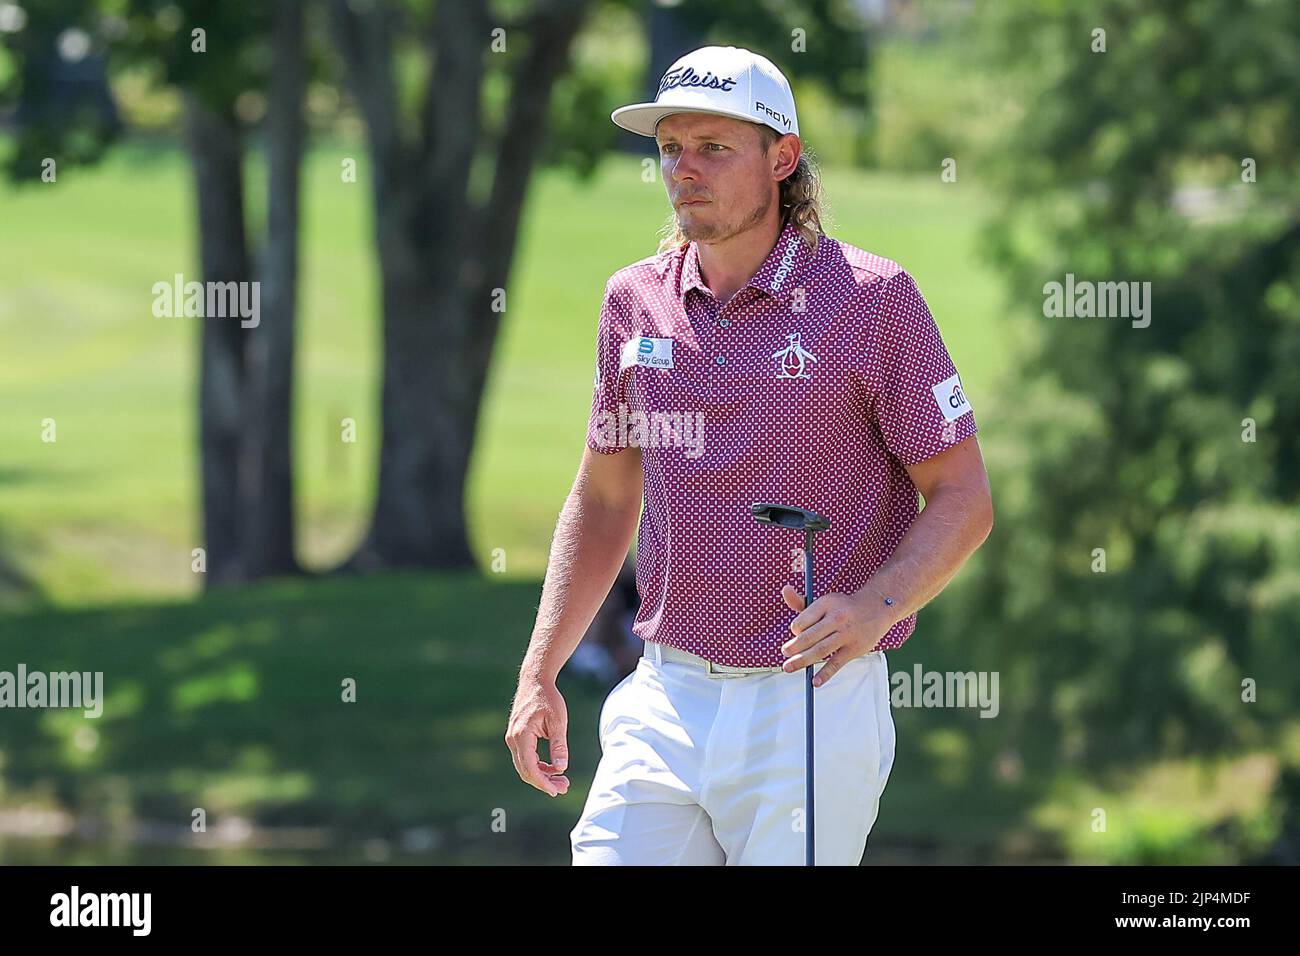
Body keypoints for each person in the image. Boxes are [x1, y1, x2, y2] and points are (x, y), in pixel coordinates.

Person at [504, 44, 994, 865]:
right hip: (663, 693)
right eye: (670, 149)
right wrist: (539, 668)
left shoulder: (872, 301)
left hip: (811, 702)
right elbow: (604, 497)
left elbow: (962, 495)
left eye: (713, 149)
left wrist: (875, 608)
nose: (683, 170)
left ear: (783, 159)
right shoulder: (634, 302)